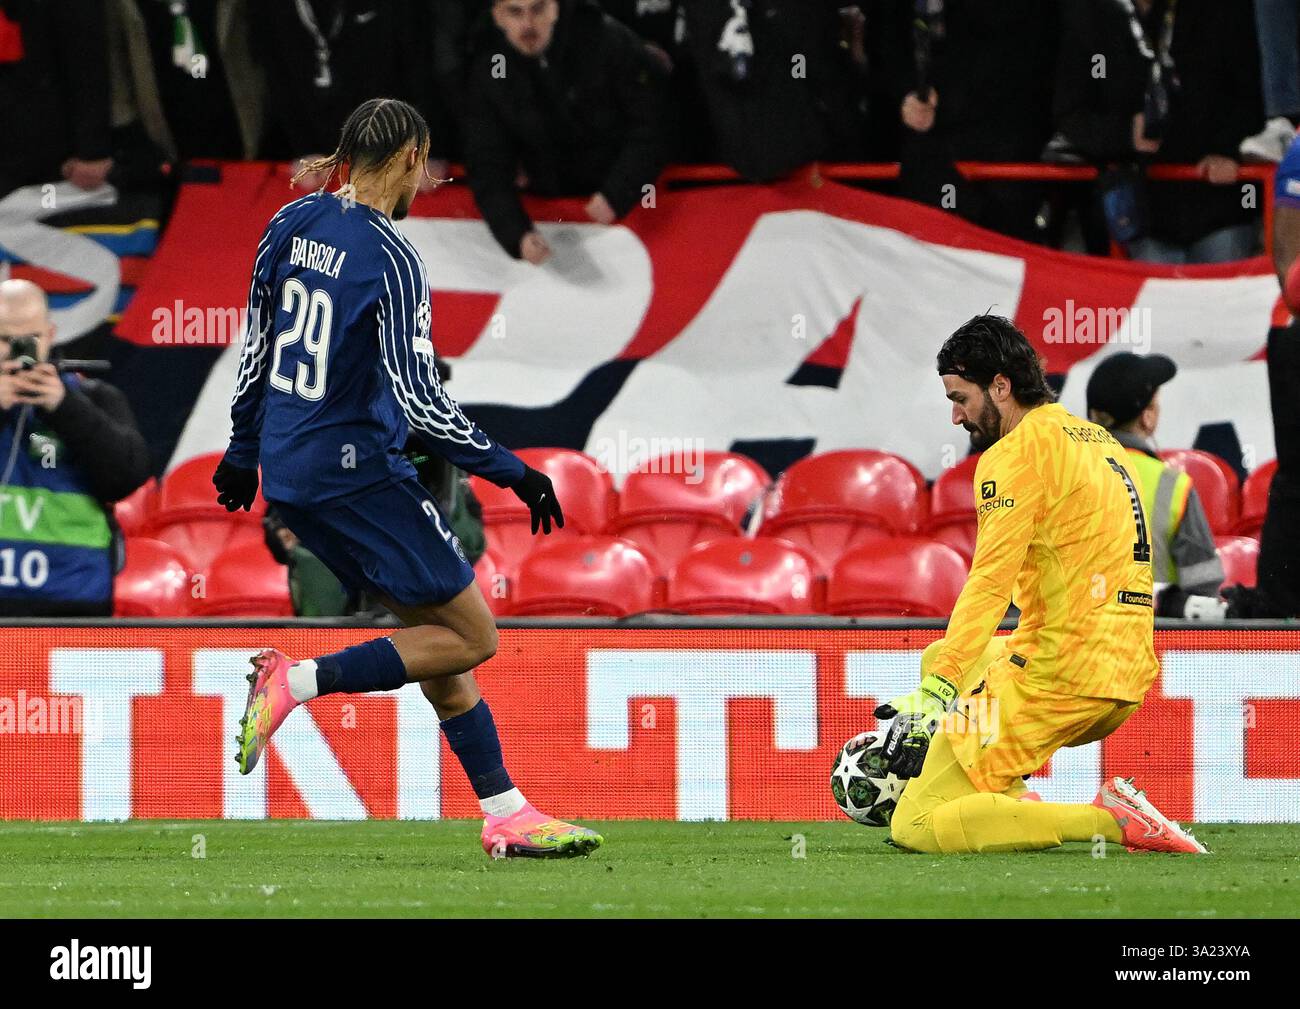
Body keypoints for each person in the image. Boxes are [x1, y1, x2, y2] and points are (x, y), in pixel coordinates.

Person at [213, 97, 602, 859]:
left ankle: (507, 813)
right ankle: (294, 683)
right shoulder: (390, 258)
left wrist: (241, 448)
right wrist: (512, 471)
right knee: (473, 634)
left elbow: (257, 346)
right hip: (358, 474)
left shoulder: (288, 224)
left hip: (291, 477)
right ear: (402, 159)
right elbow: (421, 401)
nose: (427, 179)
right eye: (423, 162)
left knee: (435, 639)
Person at [878, 314, 1206, 855]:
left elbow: (989, 584)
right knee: (947, 655)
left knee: (915, 825)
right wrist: (944, 673)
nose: (956, 416)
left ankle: (1107, 821)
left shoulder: (1011, 457)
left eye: (960, 398)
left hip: (1060, 676)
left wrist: (936, 694)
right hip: (1125, 669)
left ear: (1001, 386)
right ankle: (1005, 797)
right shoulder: (1097, 440)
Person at [464, 0, 668, 263]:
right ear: (498, 16)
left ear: (555, 8)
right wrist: (517, 234)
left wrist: (617, 194)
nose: (527, 24)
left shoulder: (606, 42)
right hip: (547, 205)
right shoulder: (489, 66)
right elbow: (486, 162)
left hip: (625, 209)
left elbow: (653, 125)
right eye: (515, 13)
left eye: (537, 10)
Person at [0, 279, 151, 615]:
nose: (18, 351)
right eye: (5, 339)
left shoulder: (95, 397)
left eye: (29, 339)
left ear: (50, 335)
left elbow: (127, 477)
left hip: (72, 601)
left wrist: (65, 407)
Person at [1086, 352, 1225, 618]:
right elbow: (1203, 596)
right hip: (1154, 648)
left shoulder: (1060, 476)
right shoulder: (1172, 486)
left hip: (1075, 647)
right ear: (1146, 417)